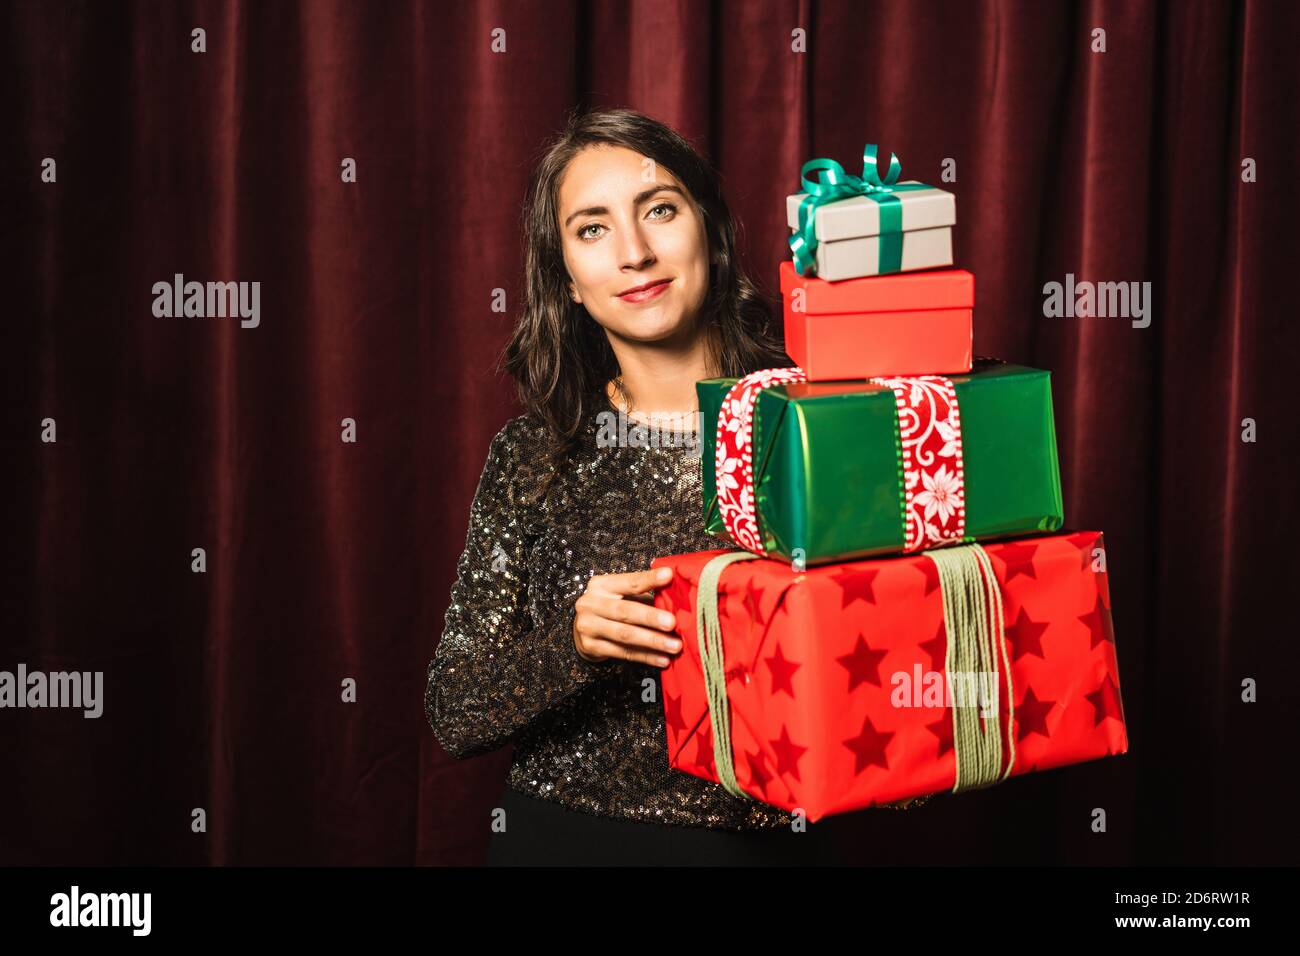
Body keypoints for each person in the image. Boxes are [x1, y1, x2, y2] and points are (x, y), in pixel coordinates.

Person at [423, 107, 927, 866]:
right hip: (567, 845)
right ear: (567, 278)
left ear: (712, 236)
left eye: (659, 210)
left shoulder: (826, 425)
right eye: (592, 229)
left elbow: (909, 680)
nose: (633, 253)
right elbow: (454, 708)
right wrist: (573, 644)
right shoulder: (536, 456)